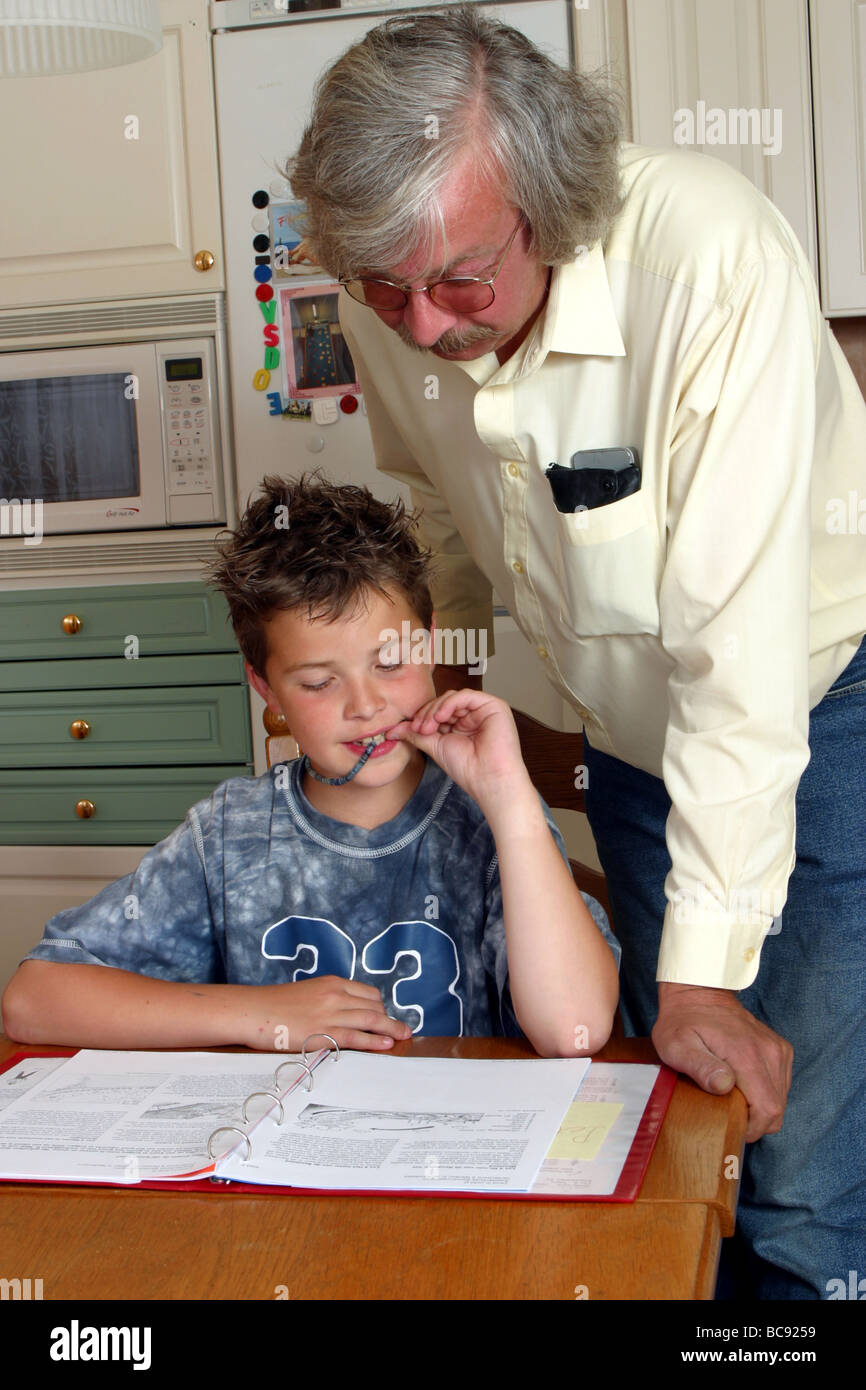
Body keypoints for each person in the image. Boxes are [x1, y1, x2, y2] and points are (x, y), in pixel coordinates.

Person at [284, 6, 866, 1298]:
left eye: (459, 284)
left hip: (817, 709)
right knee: (681, 1139)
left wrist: (701, 976)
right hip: (629, 744)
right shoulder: (404, 281)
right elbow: (438, 512)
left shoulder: (704, 262)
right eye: (383, 289)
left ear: (552, 206)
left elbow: (738, 652)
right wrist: (416, 670)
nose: (421, 326)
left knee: (799, 1169)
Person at [1, 475, 620, 1058]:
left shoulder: (491, 817)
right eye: (320, 683)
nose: (366, 705)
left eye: (389, 663)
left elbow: (576, 1029)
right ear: (267, 690)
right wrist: (261, 1014)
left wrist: (510, 798)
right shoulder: (228, 835)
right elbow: (33, 1000)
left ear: (430, 644)